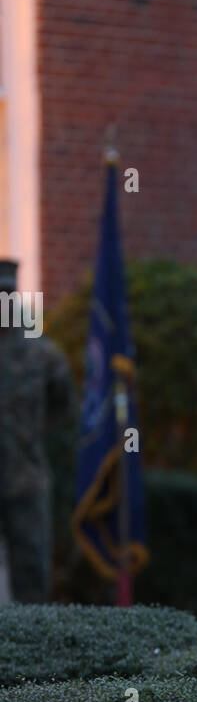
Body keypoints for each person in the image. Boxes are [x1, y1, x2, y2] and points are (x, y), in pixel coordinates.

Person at [0, 257, 75, 602]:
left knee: (32, 575)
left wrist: (29, 437)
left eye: (7, 294)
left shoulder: (41, 353)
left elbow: (63, 405)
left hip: (25, 479)